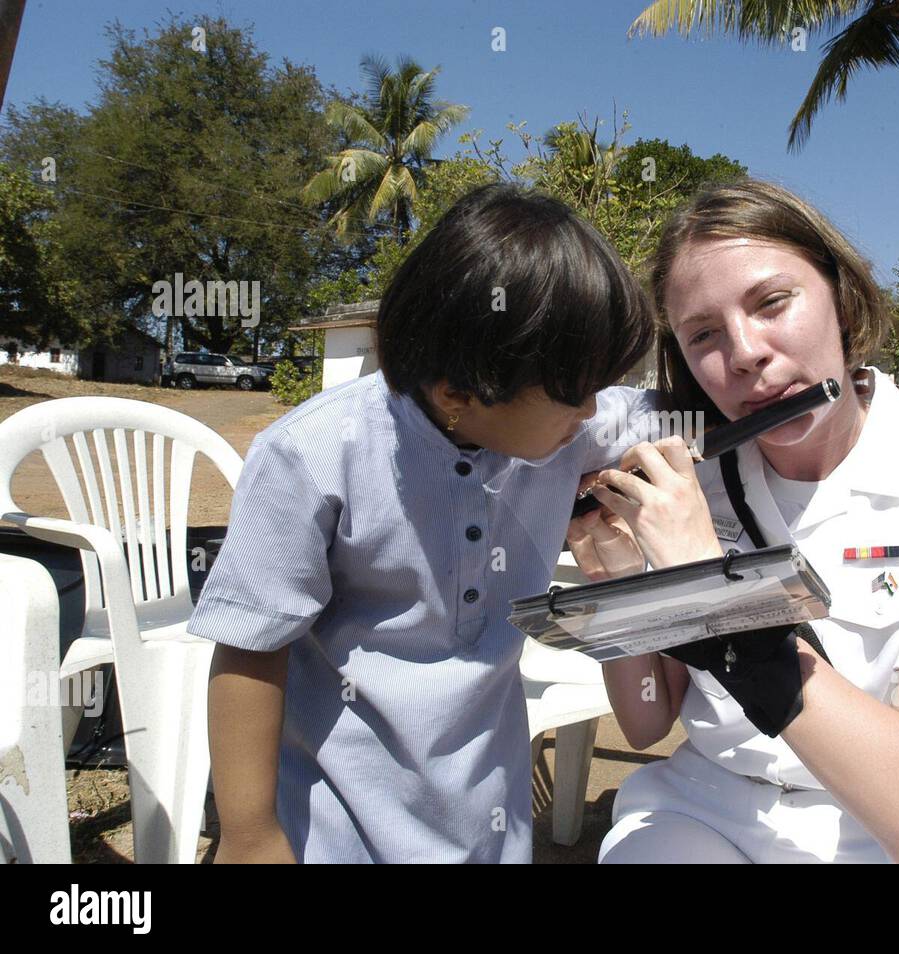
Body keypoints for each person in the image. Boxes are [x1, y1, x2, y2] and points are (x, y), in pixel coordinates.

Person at [565, 180, 899, 864]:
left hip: (868, 823)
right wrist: (618, 582)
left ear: (842, 297)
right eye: (703, 335)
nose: (746, 353)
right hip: (702, 805)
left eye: (772, 303)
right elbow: (644, 720)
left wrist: (717, 587)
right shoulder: (689, 485)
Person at [190, 184, 660, 863]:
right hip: (334, 821)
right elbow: (249, 644)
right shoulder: (316, 455)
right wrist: (249, 834)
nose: (593, 412)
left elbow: (695, 408)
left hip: (488, 815)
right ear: (458, 394)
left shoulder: (559, 429)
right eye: (572, 394)